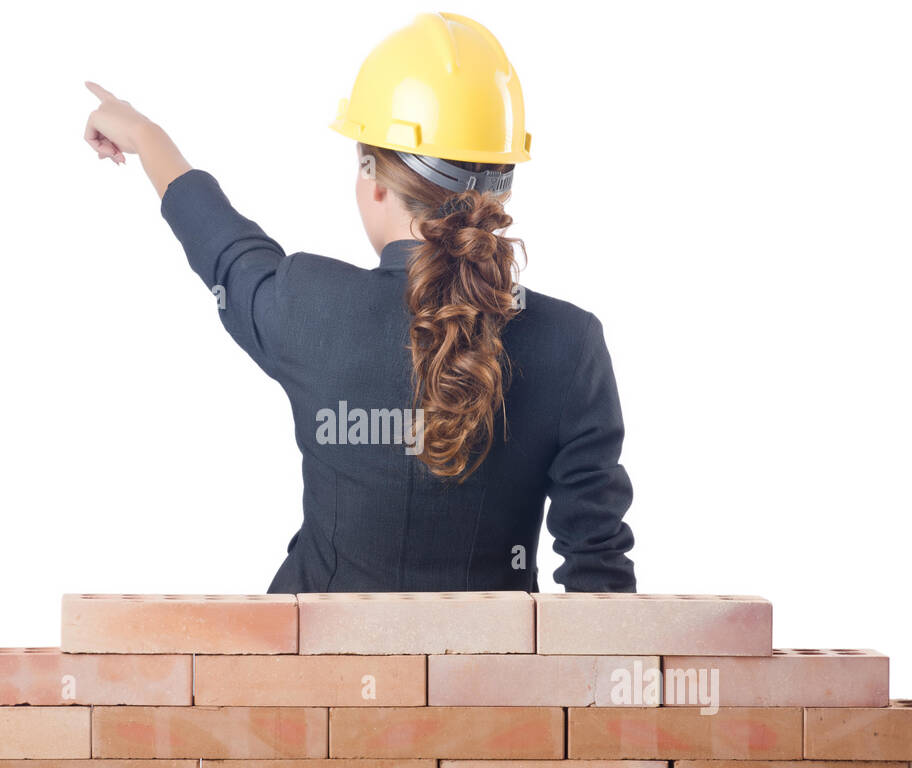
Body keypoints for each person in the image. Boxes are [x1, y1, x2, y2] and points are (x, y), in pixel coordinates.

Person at [82, 12, 636, 594]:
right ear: (503, 188)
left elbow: (225, 250)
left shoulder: (309, 304)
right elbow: (598, 571)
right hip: (487, 682)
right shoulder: (571, 344)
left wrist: (147, 138)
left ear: (374, 183)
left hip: (308, 677)